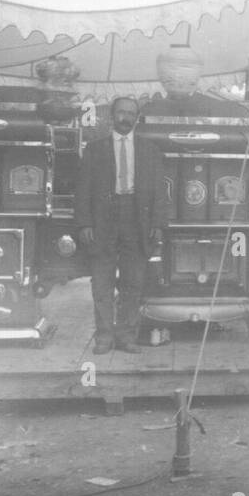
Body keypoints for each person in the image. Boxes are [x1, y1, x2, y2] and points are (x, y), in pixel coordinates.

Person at [76, 97, 164, 354]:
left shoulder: (150, 150)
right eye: (121, 113)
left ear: (137, 118)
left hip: (137, 219)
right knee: (101, 281)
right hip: (103, 219)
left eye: (131, 113)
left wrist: (158, 222)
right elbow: (82, 190)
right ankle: (104, 337)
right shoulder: (94, 149)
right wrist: (84, 223)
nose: (126, 117)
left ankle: (126, 337)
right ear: (112, 116)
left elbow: (159, 189)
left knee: (133, 282)